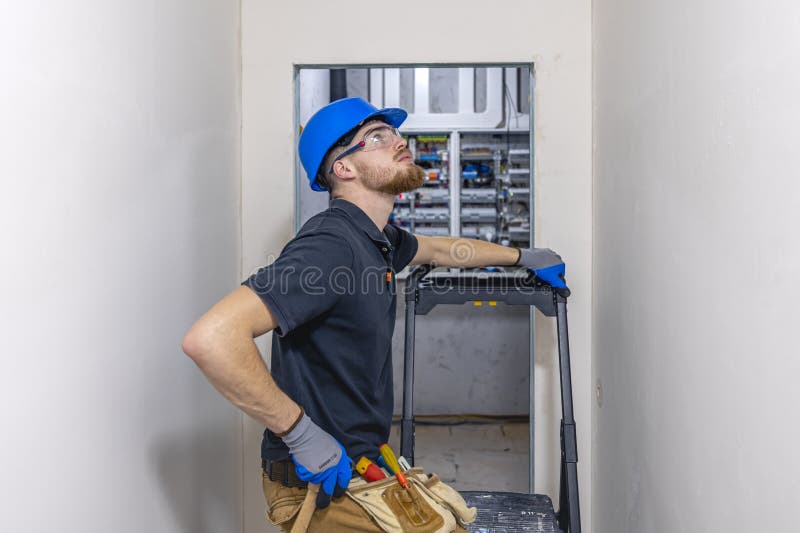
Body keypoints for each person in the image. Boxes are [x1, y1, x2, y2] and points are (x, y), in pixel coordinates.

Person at [182, 97, 566, 532]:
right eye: (377, 137)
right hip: (319, 484)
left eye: (394, 132)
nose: (399, 141)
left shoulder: (375, 239)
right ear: (343, 168)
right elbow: (212, 338)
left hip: (360, 468)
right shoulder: (331, 246)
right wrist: (300, 434)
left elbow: (442, 249)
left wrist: (522, 256)